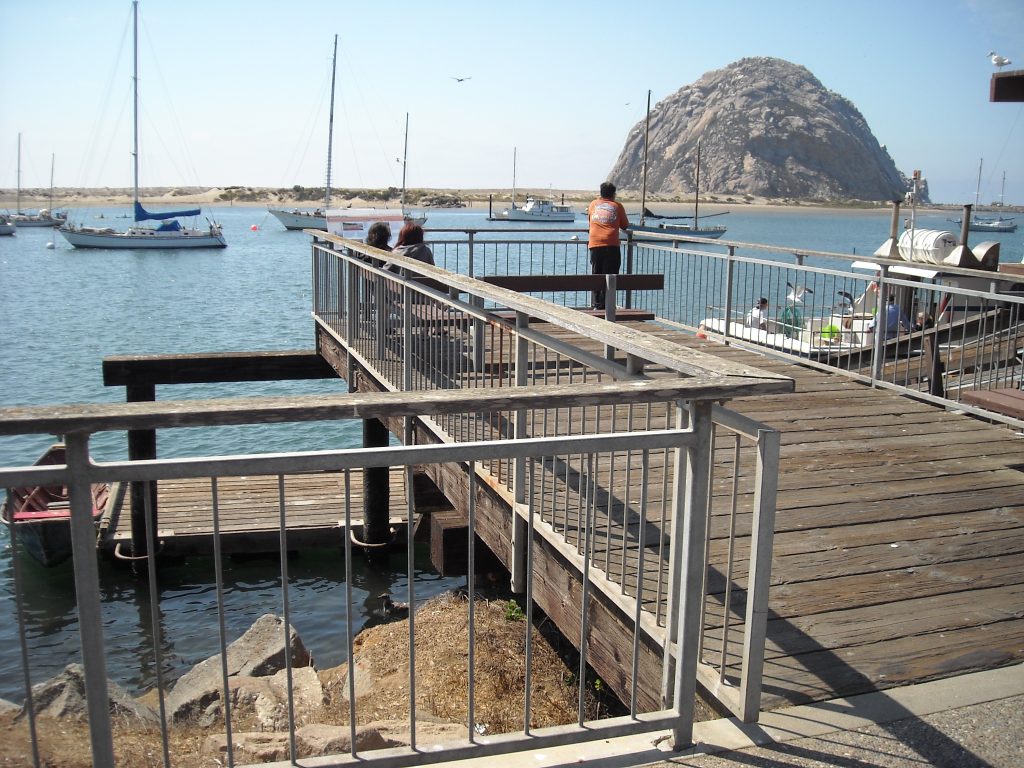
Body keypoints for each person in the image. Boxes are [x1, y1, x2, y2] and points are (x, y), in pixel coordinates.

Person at [587, 181, 630, 309]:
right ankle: (607, 305)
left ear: (601, 194)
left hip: (595, 244)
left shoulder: (593, 204)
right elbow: (625, 225)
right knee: (611, 275)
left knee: (596, 274)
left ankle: (597, 304)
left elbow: (590, 220)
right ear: (613, 194)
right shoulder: (617, 206)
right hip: (611, 244)